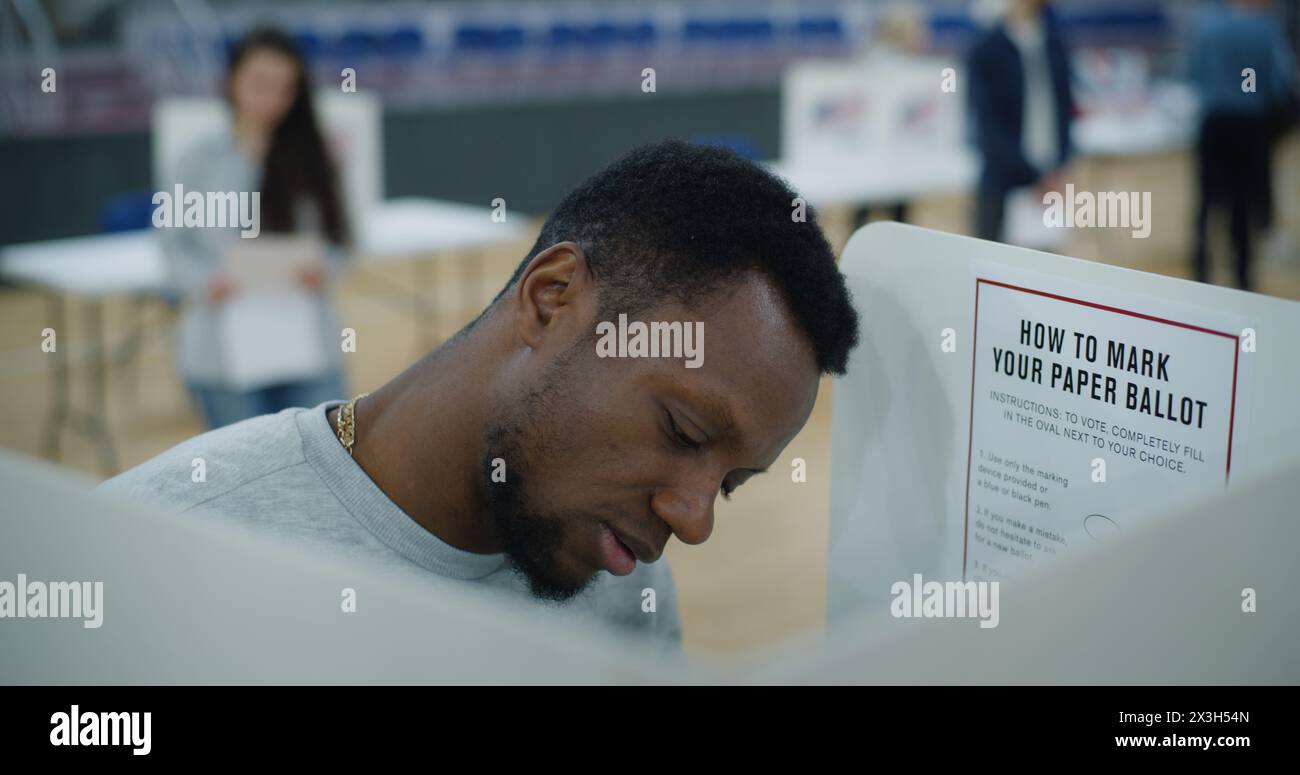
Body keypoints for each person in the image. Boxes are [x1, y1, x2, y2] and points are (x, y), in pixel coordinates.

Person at [100, 141, 862, 650]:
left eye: (729, 487)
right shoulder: (150, 555)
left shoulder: (628, 586)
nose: (693, 521)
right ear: (551, 298)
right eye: (684, 431)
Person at [163, 27, 351, 428]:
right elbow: (173, 246)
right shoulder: (196, 160)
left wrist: (325, 268)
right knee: (239, 475)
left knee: (325, 459)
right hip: (222, 350)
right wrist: (204, 282)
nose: (272, 100)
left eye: (285, 88)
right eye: (260, 84)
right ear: (232, 82)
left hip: (306, 342)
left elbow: (342, 240)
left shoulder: (315, 154)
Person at [1187, 0, 1297, 291]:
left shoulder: (1207, 27)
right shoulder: (1264, 31)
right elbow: (1278, 82)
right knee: (1242, 204)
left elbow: (1193, 73)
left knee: (1206, 200)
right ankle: (1242, 276)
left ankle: (1200, 269)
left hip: (1214, 123)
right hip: (1250, 126)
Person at [967, 0, 1075, 242]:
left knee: (1046, 269)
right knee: (995, 268)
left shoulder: (1055, 44)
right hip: (1003, 184)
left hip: (1049, 180)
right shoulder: (987, 50)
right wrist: (1034, 176)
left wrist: (1058, 168)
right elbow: (988, 128)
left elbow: (1066, 112)